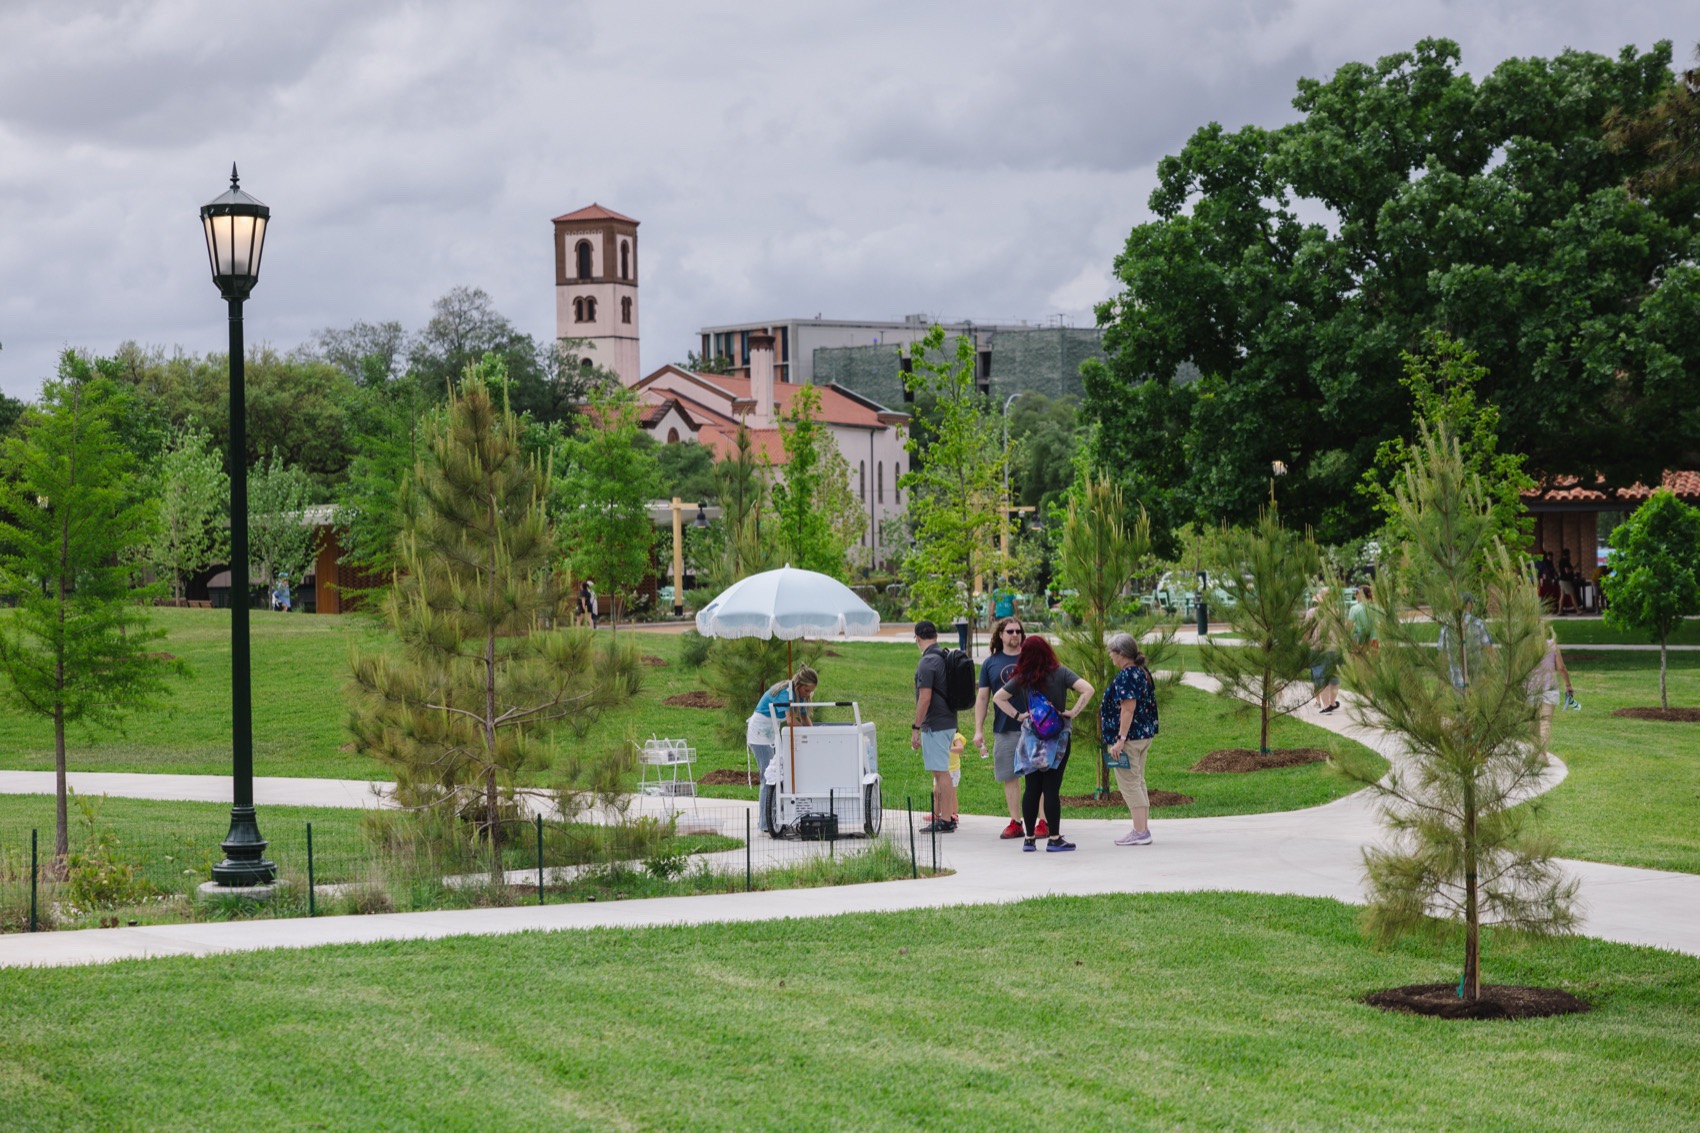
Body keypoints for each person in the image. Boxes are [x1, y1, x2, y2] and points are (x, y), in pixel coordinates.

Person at [992, 634, 1094, 852]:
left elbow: (998, 697)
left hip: (1030, 739)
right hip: (1058, 739)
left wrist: (1019, 715)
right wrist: (1072, 713)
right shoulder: (1061, 672)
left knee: (1032, 788)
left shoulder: (1023, 677)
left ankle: (1029, 839)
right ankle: (1054, 838)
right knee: (1051, 789)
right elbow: (1088, 689)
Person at [972, 617, 1042, 839]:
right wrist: (978, 729)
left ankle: (1043, 822)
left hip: (1034, 728)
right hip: (1004, 728)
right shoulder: (990, 664)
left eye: (1018, 631)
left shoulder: (1032, 660)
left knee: (1037, 775)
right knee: (1009, 776)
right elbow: (983, 698)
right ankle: (1016, 822)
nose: (1015, 635)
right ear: (1000, 635)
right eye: (1010, 631)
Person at [1100, 632, 1158, 846]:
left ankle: (1140, 831)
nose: (1110, 656)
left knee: (1129, 783)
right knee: (1137, 780)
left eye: (1112, 652)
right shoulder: (1142, 672)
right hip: (1143, 735)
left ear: (1121, 654)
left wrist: (1120, 739)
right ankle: (1142, 828)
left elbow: (1128, 708)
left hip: (1130, 738)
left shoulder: (1127, 675)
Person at [745, 666, 818, 834]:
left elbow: (804, 718)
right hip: (760, 733)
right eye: (806, 690)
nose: (808, 694)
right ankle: (765, 823)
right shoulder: (787, 693)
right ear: (799, 684)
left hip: (772, 732)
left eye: (811, 692)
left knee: (778, 774)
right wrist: (806, 732)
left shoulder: (799, 696)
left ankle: (776, 817)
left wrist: (814, 734)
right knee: (768, 776)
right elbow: (791, 721)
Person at [911, 621, 958, 834]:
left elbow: (925, 698)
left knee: (941, 772)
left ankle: (946, 819)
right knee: (940, 771)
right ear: (936, 635)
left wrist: (915, 726)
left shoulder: (927, 662)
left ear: (917, 638)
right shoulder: (944, 656)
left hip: (936, 724)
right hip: (948, 721)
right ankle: (944, 816)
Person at [1528, 631, 1573, 754]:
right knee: (1545, 724)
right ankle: (1541, 756)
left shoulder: (1524, 647)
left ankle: (1535, 754)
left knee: (1533, 725)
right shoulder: (1552, 645)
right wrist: (1568, 685)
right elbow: (1561, 668)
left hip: (1530, 690)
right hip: (1549, 689)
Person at [1436, 593, 1493, 691]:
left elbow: (1442, 657)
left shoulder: (1446, 627)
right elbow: (1490, 652)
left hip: (1455, 684)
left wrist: (1441, 681)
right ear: (1469, 604)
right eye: (1472, 603)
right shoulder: (1478, 624)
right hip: (1477, 684)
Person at [1306, 587, 1341, 714]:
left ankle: (1326, 706)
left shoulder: (1311, 612)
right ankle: (1332, 703)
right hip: (1334, 647)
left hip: (1317, 648)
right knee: (1334, 678)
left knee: (1321, 677)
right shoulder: (1336, 612)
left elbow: (1307, 631)